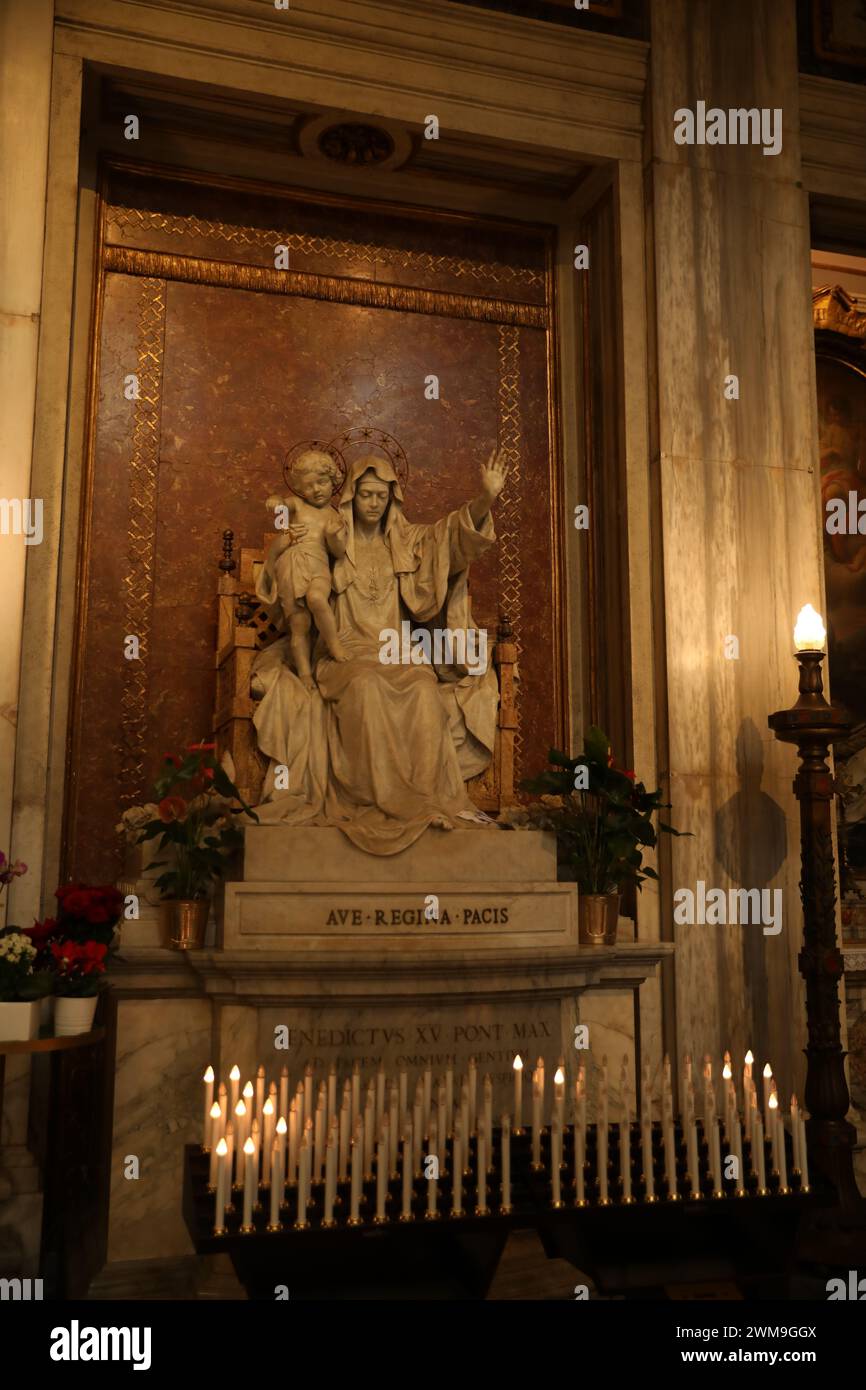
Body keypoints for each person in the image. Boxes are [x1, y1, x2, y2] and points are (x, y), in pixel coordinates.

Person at [251, 446, 509, 854]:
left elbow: (452, 539)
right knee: (366, 687)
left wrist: (485, 498)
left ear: (392, 499)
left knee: (424, 692)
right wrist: (284, 549)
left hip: (396, 652)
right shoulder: (330, 537)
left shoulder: (406, 542)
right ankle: (377, 804)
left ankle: (425, 802)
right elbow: (289, 575)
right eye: (366, 495)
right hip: (343, 653)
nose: (373, 503)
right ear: (351, 497)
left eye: (382, 496)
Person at [255, 450, 348, 688]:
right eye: (308, 486)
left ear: (333, 481)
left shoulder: (335, 516)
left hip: (318, 564)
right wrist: (276, 501)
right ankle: (305, 673)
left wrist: (333, 536)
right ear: (299, 488)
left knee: (317, 597)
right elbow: (281, 519)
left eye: (322, 482)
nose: (316, 490)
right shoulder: (296, 504)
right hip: (292, 564)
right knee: (299, 625)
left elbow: (339, 552)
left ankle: (334, 645)